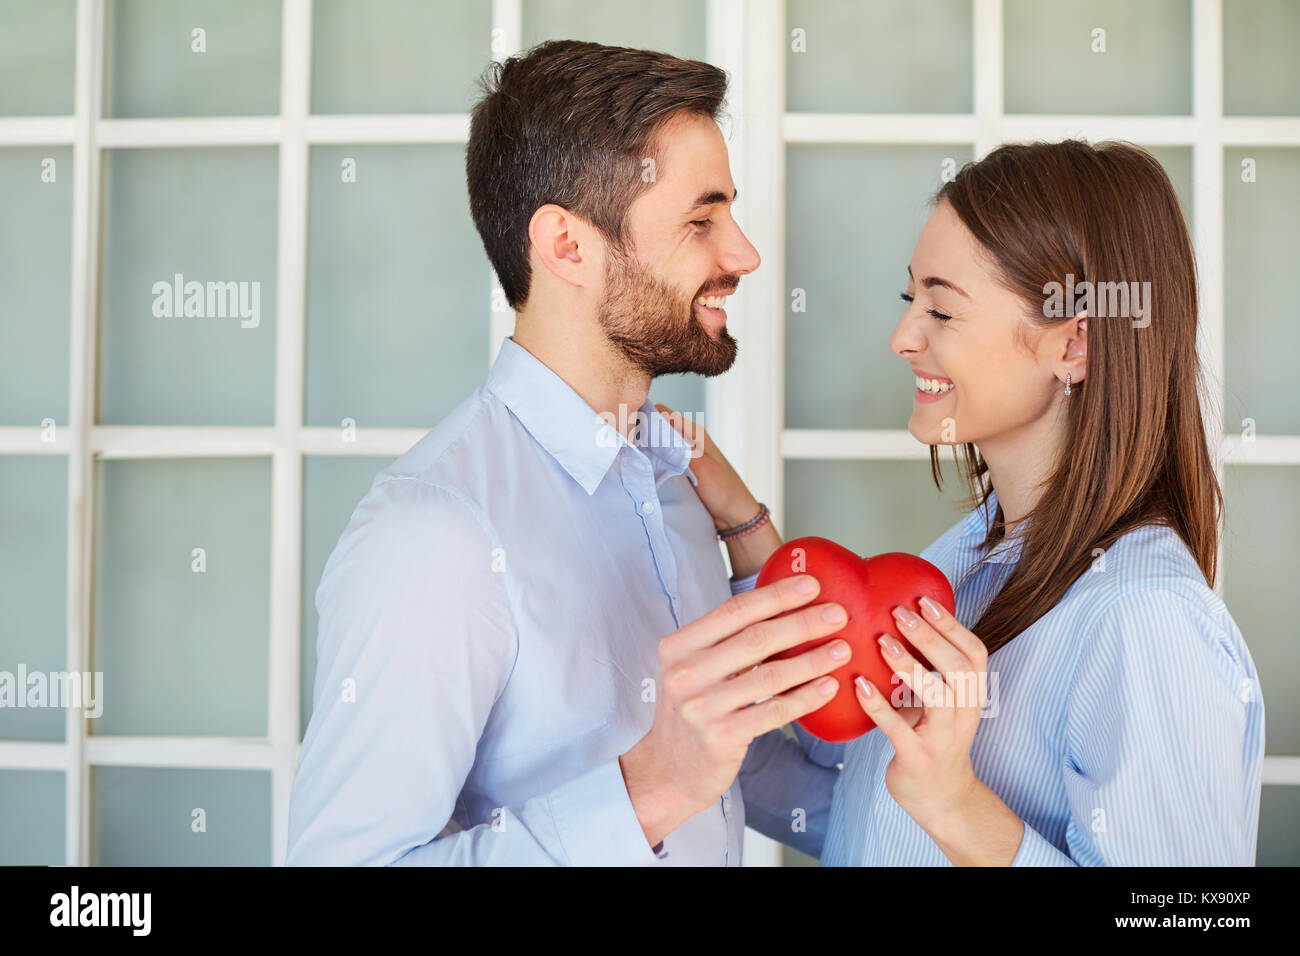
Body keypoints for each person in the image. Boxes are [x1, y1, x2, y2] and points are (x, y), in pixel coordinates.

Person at [285, 40, 851, 866]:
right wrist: (647, 789)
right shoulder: (434, 533)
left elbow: (731, 766)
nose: (744, 255)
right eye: (702, 220)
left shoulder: (678, 483)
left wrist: (930, 813)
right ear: (567, 247)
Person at [667, 140, 1266, 865]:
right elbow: (863, 814)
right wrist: (743, 524)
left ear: (1073, 348)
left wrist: (956, 804)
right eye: (908, 299)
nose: (901, 337)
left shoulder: (1145, 621)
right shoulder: (970, 557)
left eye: (942, 312)